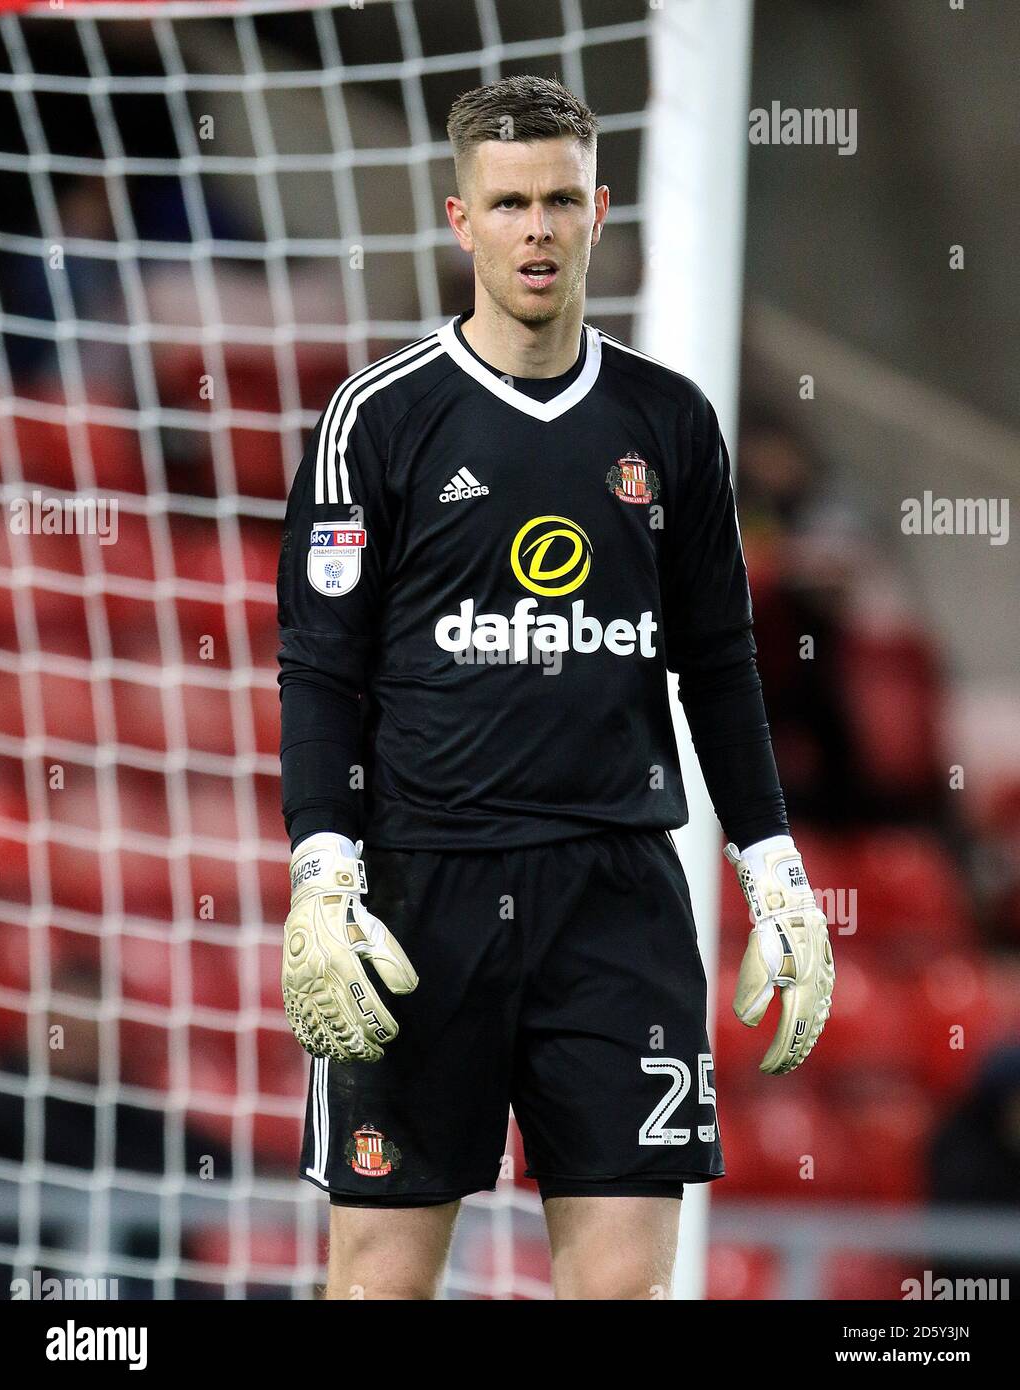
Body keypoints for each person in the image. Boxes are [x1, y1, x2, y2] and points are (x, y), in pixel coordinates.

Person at [275, 75, 834, 1301]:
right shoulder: (375, 421)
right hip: (424, 896)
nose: (537, 227)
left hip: (617, 899)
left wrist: (775, 870)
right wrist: (323, 870)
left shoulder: (671, 421)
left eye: (561, 201)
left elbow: (721, 666)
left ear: (598, 211)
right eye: (510, 201)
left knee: (622, 1291)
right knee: (375, 1287)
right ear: (458, 219)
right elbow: (320, 670)